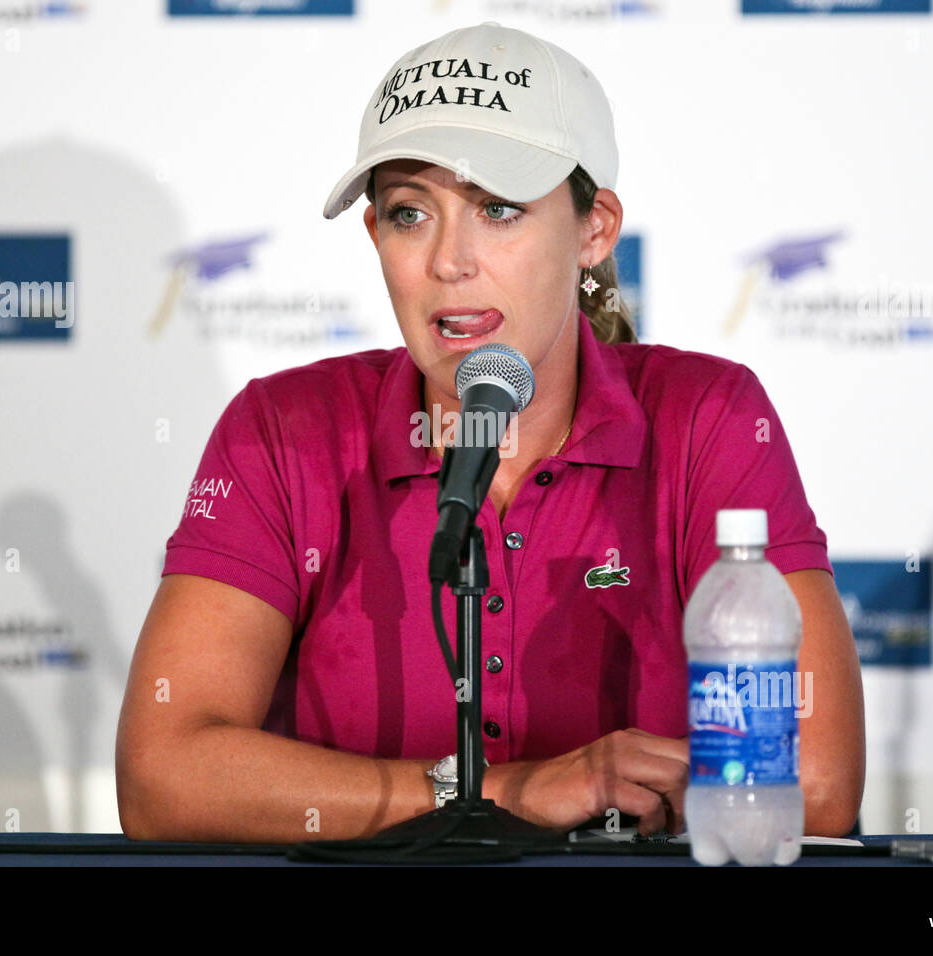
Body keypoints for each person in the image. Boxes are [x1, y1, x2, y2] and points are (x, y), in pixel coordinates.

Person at [115, 21, 864, 844]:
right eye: (409, 214)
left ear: (594, 230)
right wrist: (495, 793)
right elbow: (162, 780)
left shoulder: (708, 417)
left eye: (499, 209)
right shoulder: (281, 430)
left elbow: (816, 788)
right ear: (376, 238)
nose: (447, 261)